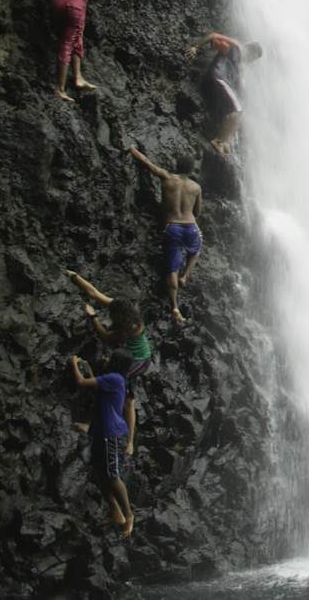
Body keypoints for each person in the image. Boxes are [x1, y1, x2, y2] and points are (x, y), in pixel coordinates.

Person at [65, 270, 151, 438]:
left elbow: (105, 336)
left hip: (138, 361)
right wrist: (74, 276)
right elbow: (95, 293)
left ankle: (97, 425)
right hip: (131, 355)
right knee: (119, 391)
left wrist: (93, 317)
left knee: (114, 390)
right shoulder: (125, 309)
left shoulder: (129, 328)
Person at [24, 0, 113, 100]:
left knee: (76, 36)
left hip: (58, 2)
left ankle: (78, 76)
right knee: (68, 42)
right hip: (77, 7)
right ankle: (60, 88)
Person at [127, 145, 202, 322]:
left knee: (171, 268)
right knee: (196, 249)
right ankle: (186, 276)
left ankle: (175, 306)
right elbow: (198, 211)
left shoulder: (167, 177)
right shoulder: (196, 187)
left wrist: (133, 151)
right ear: (191, 169)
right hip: (190, 225)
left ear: (176, 165)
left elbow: (148, 164)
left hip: (172, 227)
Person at [70, 353, 134, 537]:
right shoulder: (115, 379)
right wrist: (87, 368)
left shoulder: (114, 379)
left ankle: (129, 515)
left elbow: (81, 383)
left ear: (115, 363)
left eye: (109, 358)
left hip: (111, 434)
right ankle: (116, 512)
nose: (105, 359)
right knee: (99, 473)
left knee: (112, 475)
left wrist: (74, 363)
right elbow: (94, 382)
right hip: (102, 432)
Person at [186, 31, 262, 155]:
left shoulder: (239, 65)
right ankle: (220, 142)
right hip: (218, 78)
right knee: (237, 112)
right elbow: (214, 36)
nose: (252, 59)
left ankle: (224, 141)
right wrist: (195, 47)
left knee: (235, 114)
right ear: (249, 49)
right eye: (253, 55)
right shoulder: (236, 48)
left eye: (255, 58)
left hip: (221, 85)